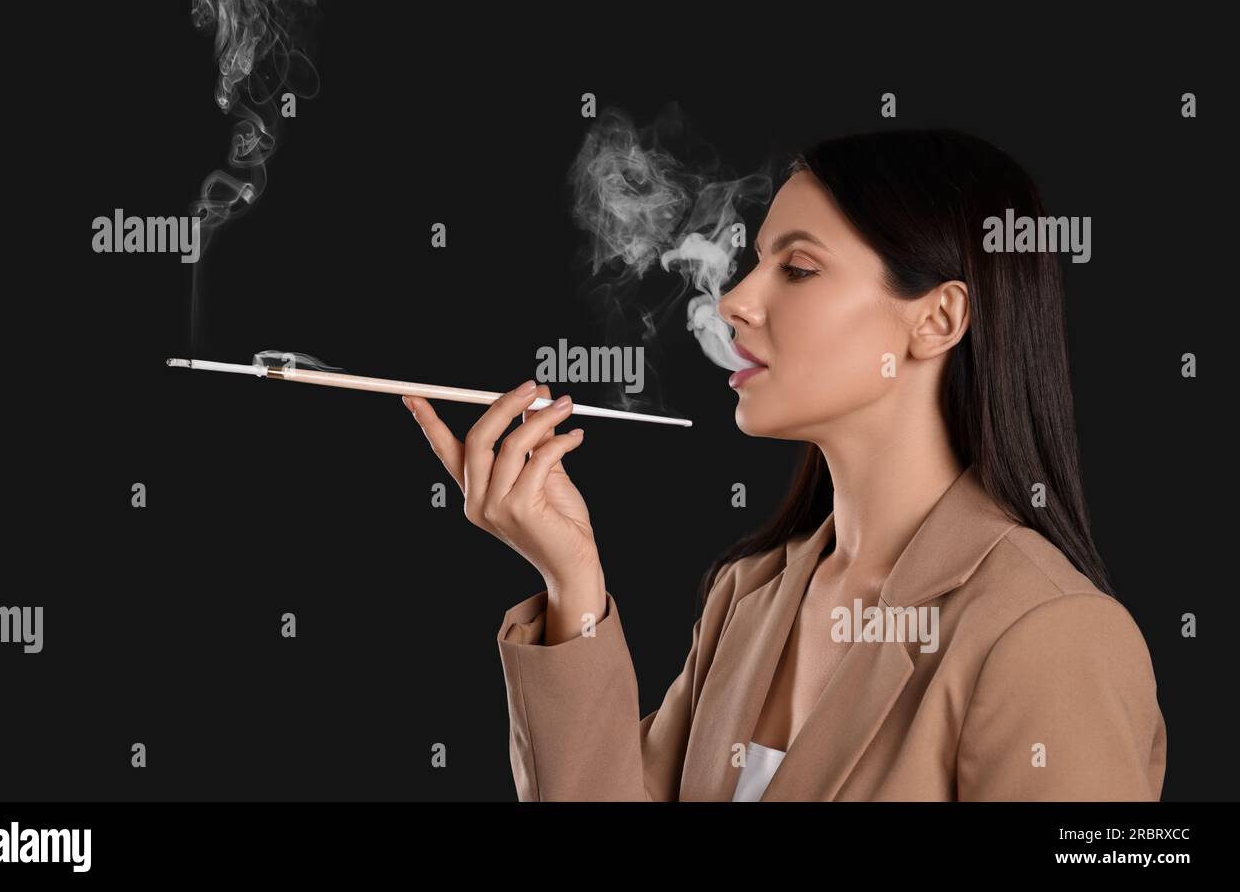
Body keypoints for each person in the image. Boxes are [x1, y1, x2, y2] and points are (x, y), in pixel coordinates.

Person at [403, 129, 1167, 801]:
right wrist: (573, 584)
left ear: (936, 320)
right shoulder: (750, 597)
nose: (734, 300)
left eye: (797, 268)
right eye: (754, 265)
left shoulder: (1050, 636)